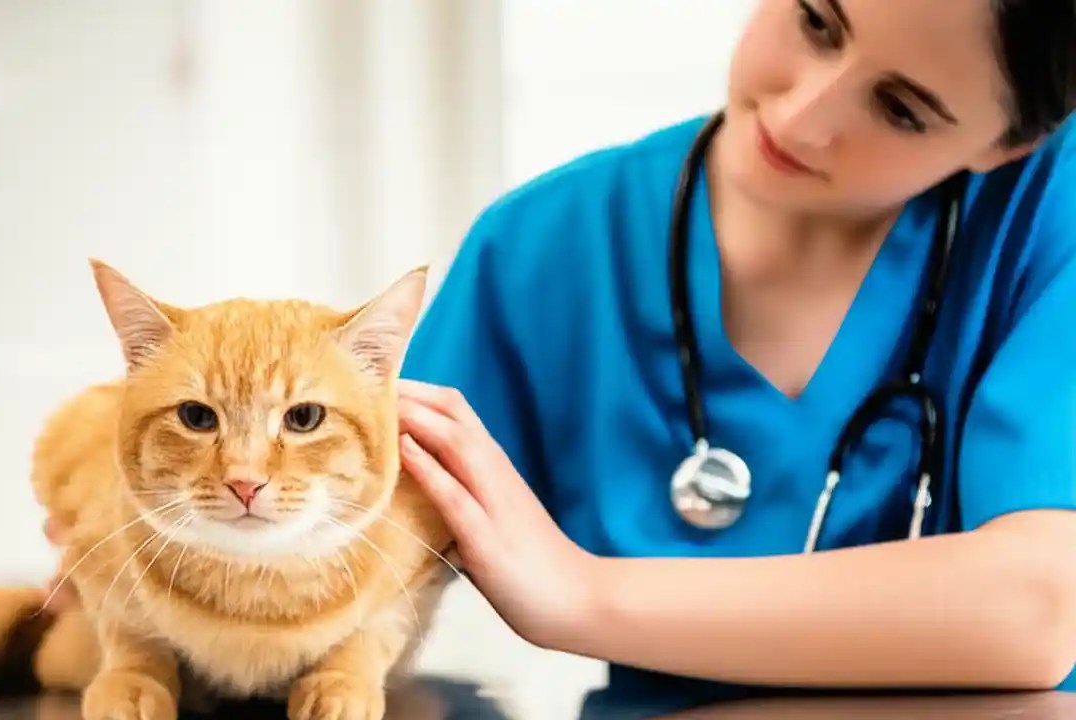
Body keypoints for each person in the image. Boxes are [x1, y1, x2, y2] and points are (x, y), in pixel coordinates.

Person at [395, 0, 1076, 709]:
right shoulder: (541, 247)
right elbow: (364, 562)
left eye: (901, 110)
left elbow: (1036, 610)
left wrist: (581, 593)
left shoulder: (1050, 209)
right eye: (816, 22)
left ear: (1009, 145)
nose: (801, 117)